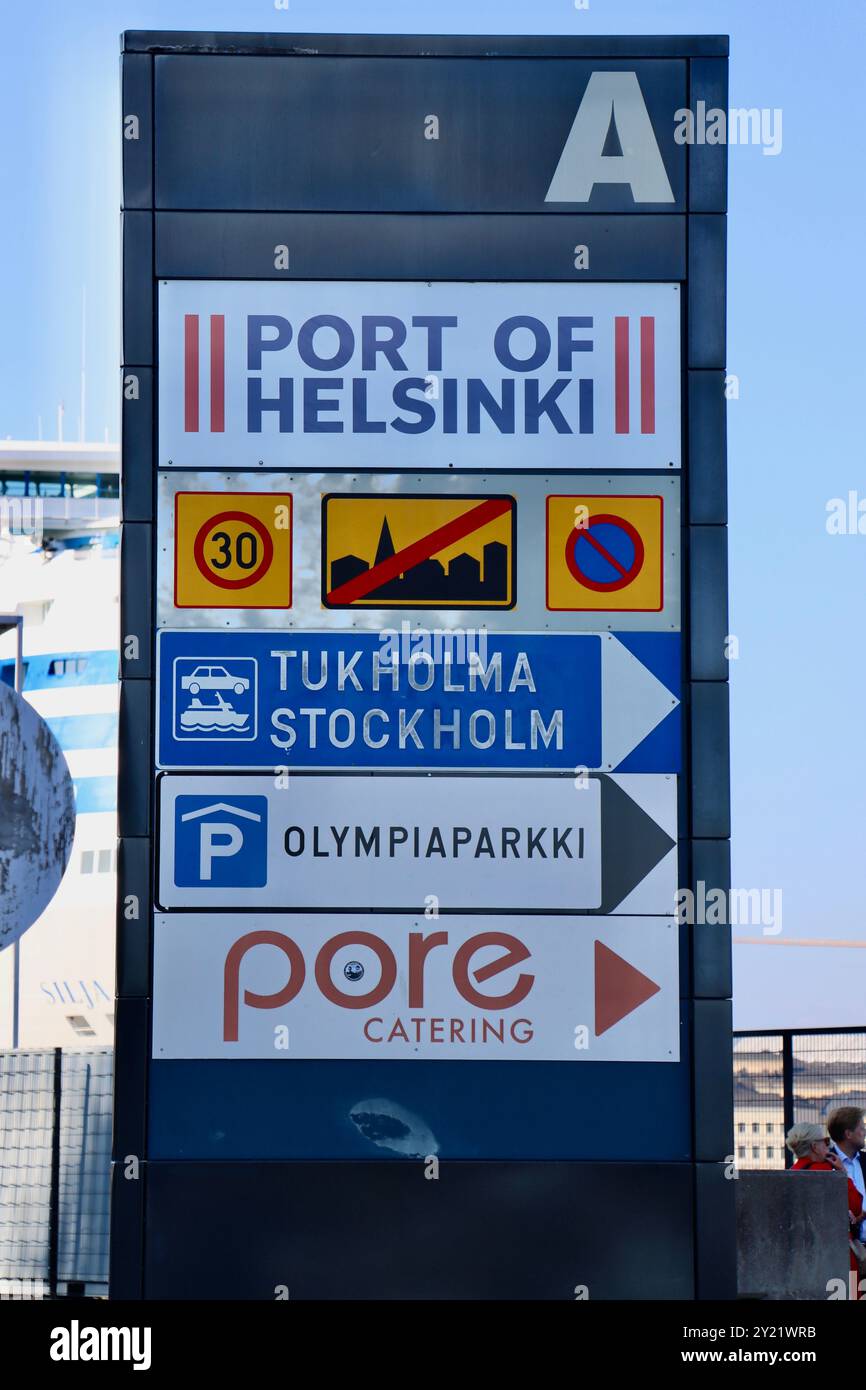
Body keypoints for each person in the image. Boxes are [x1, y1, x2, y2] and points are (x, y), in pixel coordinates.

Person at [787, 1121, 864, 1296]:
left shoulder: (792, 1171)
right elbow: (856, 1205)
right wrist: (842, 1172)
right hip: (837, 1253)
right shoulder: (829, 1173)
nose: (828, 1146)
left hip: (804, 1254)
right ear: (815, 1146)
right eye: (826, 1142)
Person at [828, 1107, 866, 1242]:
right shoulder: (826, 1164)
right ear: (848, 1134)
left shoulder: (864, 1160)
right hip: (843, 1246)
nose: (864, 1133)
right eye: (861, 1128)